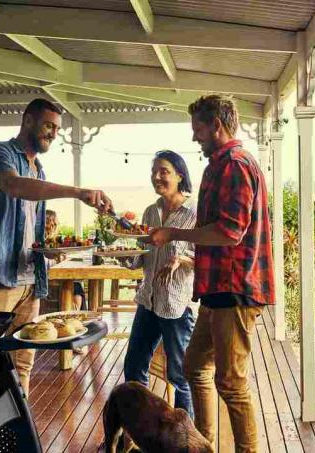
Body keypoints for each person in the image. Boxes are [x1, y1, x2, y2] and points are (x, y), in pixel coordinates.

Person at [145, 95, 275, 453]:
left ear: (216, 125)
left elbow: (229, 232)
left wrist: (173, 233)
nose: (194, 138)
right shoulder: (219, 164)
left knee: (231, 383)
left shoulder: (235, 164)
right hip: (217, 288)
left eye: (198, 129)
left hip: (236, 288)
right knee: (194, 367)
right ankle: (204, 446)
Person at [0, 98, 113, 396]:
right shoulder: (0, 153)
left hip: (29, 281)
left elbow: (31, 229)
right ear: (28, 121)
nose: (53, 134)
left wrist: (46, 251)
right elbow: (14, 186)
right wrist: (77, 192)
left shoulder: (40, 169)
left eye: (57, 129)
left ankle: (16, 433)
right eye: (49, 126)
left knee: (22, 363)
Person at [123, 150, 198, 419]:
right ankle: (138, 429)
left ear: (180, 175)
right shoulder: (150, 211)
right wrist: (123, 255)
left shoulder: (193, 212)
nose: (157, 177)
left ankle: (184, 439)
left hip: (177, 305)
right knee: (133, 369)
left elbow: (207, 257)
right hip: (148, 300)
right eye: (154, 171)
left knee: (180, 375)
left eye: (163, 171)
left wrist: (182, 259)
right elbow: (143, 255)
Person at [44, 209, 86, 310]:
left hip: (53, 277)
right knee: (76, 285)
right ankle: (75, 313)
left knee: (76, 283)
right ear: (51, 223)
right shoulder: (45, 243)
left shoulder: (51, 241)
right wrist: (59, 259)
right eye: (54, 221)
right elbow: (49, 263)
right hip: (50, 279)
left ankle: (75, 312)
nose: (56, 224)